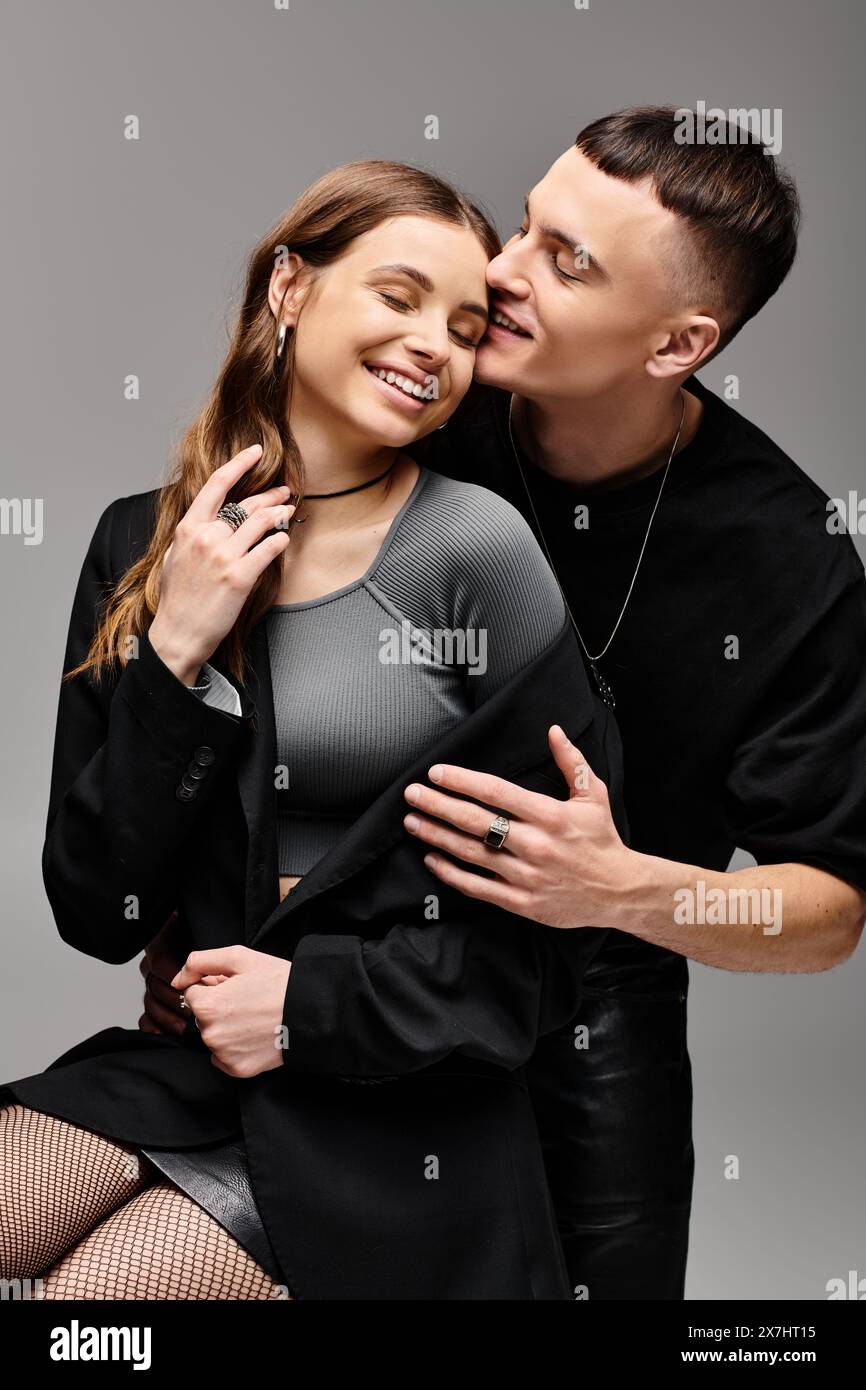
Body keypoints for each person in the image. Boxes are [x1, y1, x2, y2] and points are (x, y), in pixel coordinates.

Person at [0, 160, 624, 1301]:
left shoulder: (474, 553)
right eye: (397, 295)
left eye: (465, 323)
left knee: (83, 1316)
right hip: (188, 1068)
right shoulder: (142, 543)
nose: (433, 342)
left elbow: (550, 946)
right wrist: (175, 653)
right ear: (289, 285)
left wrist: (306, 1006)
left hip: (396, 1110)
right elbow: (98, 908)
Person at [393, 106, 866, 1299]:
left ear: (675, 344)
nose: (497, 274)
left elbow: (826, 910)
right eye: (524, 228)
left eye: (567, 263)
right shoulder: (419, 407)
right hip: (360, 946)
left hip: (603, 986)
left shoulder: (787, 553)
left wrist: (619, 889)